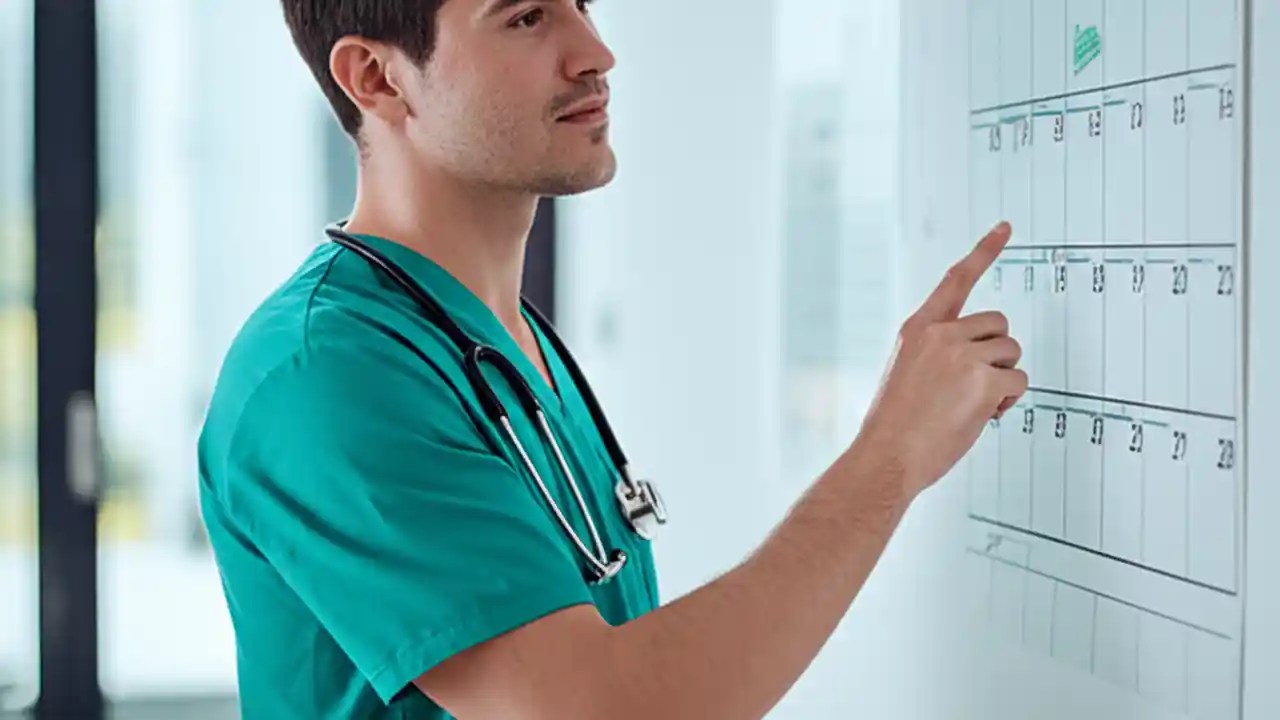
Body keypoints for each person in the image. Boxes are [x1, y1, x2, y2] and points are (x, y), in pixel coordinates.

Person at [196, 1, 1027, 718]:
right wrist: (889, 457)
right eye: (527, 17)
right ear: (377, 78)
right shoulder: (326, 374)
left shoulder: (501, 338)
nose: (596, 53)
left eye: (581, 4)